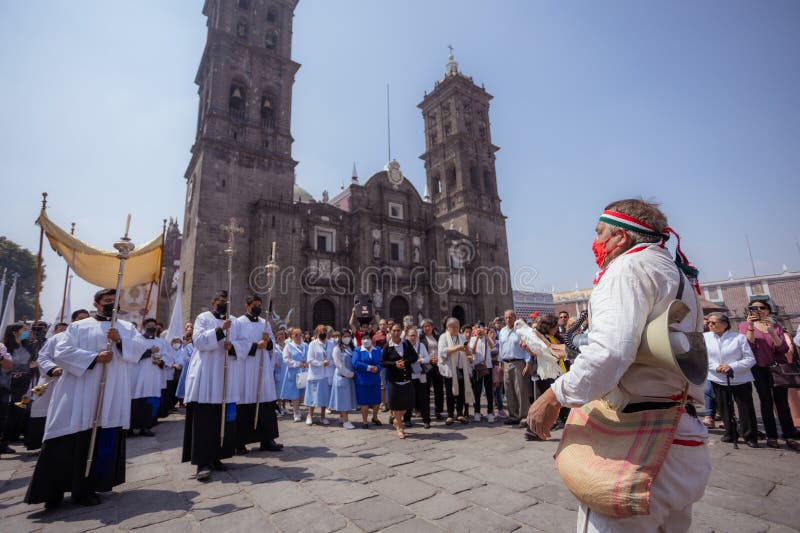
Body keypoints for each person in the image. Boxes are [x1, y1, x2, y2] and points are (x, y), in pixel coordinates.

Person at [528, 199, 710, 532]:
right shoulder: (673, 272)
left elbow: (609, 353)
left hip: (638, 447)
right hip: (681, 439)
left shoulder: (627, 269)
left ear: (621, 237)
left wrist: (553, 396)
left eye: (600, 233)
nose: (595, 242)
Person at [24, 288, 145, 508]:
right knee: (65, 436)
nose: (112, 305)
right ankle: (53, 490)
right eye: (107, 301)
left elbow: (140, 349)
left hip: (110, 393)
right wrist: (94, 358)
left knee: (100, 438)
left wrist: (119, 342)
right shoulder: (79, 327)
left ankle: (87, 488)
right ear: (96, 304)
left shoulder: (127, 328)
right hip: (78, 391)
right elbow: (62, 352)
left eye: (115, 302)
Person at [182, 290, 249, 481]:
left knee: (223, 418)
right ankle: (202, 462)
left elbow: (244, 343)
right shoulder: (202, 318)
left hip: (226, 374)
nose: (225, 303)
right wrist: (220, 330)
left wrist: (234, 346)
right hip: (207, 373)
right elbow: (199, 341)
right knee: (205, 419)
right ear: (213, 303)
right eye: (221, 300)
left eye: (227, 301)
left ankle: (218, 456)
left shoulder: (235, 321)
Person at [739, 301, 798, 450]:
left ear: (768, 310)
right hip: (759, 369)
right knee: (766, 402)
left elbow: (783, 348)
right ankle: (772, 436)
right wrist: (751, 327)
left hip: (777, 368)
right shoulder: (744, 326)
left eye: (763, 308)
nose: (759, 310)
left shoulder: (776, 326)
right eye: (755, 308)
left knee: (782, 403)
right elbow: (748, 345)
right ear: (749, 311)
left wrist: (771, 332)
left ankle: (789, 435)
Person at [234, 295, 282, 454]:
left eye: (260, 305)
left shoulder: (264, 323)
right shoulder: (238, 322)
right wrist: (255, 346)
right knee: (244, 401)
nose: (258, 308)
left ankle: (267, 439)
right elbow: (236, 344)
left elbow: (273, 343)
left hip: (262, 368)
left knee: (265, 401)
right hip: (245, 368)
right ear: (247, 306)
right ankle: (239, 442)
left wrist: (268, 343)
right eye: (255, 305)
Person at [704, 312, 758, 447]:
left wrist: (732, 367)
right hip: (718, 378)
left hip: (740, 378)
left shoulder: (739, 338)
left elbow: (750, 359)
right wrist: (716, 367)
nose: (710, 325)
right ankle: (730, 432)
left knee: (745, 408)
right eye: (708, 323)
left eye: (713, 323)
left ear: (724, 324)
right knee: (724, 408)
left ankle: (749, 435)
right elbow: (703, 358)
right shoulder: (705, 338)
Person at [25, 318, 77, 451]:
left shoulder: (83, 339)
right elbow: (43, 357)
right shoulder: (54, 339)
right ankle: (40, 444)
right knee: (43, 409)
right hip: (51, 380)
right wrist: (52, 369)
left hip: (73, 381)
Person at [130, 318, 169, 437]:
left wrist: (161, 362)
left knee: (150, 403)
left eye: (154, 325)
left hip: (153, 376)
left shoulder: (161, 342)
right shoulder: (136, 340)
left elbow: (169, 356)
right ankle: (131, 427)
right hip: (138, 376)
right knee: (135, 402)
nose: (151, 327)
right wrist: (149, 352)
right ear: (144, 326)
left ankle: (146, 427)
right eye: (149, 325)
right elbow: (131, 356)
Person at [380, 323, 418, 439]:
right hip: (394, 380)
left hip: (407, 379)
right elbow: (382, 362)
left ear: (401, 332)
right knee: (396, 405)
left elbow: (414, 357)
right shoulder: (387, 347)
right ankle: (400, 428)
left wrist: (405, 362)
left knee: (407, 405)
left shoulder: (406, 343)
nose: (396, 333)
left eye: (398, 330)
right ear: (390, 332)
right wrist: (394, 364)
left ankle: (397, 420)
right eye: (394, 331)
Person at [1, 323, 34, 450]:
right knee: (8, 414)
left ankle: (12, 438)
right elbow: (8, 365)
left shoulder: (26, 345)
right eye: (23, 330)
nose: (26, 331)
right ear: (14, 332)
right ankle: (3, 442)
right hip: (10, 384)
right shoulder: (6, 348)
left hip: (24, 384)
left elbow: (31, 362)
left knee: (21, 412)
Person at [498, 310, 531, 428]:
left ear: (515, 318)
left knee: (520, 390)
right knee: (509, 390)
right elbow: (501, 348)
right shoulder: (502, 331)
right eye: (506, 317)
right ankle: (513, 415)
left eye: (511, 317)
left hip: (518, 362)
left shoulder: (520, 331)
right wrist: (500, 362)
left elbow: (526, 347)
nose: (508, 319)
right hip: (506, 363)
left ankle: (524, 416)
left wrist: (527, 364)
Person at [438, 317, 473, 425]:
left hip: (461, 368)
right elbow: (442, 352)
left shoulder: (462, 337)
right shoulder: (443, 337)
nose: (455, 329)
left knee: (461, 391)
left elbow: (468, 351)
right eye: (453, 327)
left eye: (457, 327)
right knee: (450, 392)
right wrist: (457, 348)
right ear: (448, 328)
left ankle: (460, 413)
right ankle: (449, 414)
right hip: (449, 369)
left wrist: (467, 351)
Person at [329, 329, 357, 429]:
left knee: (347, 399)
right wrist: (350, 374)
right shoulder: (337, 349)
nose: (347, 338)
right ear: (341, 337)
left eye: (348, 336)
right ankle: (345, 421)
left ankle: (342, 417)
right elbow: (339, 365)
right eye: (344, 336)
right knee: (343, 400)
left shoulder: (352, 348)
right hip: (343, 376)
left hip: (350, 377)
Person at [403, 327, 431, 429]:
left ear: (417, 336)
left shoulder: (421, 345)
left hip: (420, 375)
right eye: (411, 335)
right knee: (408, 399)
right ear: (407, 336)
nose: (413, 337)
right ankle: (407, 419)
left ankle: (426, 420)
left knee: (423, 398)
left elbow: (428, 358)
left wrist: (420, 360)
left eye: (414, 335)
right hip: (409, 376)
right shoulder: (404, 346)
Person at [352, 335, 383, 428]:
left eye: (368, 338)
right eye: (364, 338)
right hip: (362, 380)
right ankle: (365, 421)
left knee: (377, 401)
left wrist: (377, 368)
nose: (366, 340)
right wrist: (368, 367)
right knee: (364, 402)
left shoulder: (377, 350)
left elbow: (382, 362)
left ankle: (375, 417)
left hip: (375, 380)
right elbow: (355, 363)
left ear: (372, 339)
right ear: (361, 340)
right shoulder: (357, 350)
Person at [304, 325, 332, 425]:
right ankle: (309, 415)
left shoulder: (331, 344)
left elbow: (333, 357)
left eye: (324, 331)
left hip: (326, 374)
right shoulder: (312, 344)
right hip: (315, 375)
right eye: (320, 331)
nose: (323, 333)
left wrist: (329, 363)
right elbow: (309, 360)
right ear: (316, 333)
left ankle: (323, 416)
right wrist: (321, 363)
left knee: (324, 397)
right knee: (313, 396)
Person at [469, 322, 495, 423]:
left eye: (480, 328)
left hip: (488, 366)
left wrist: (485, 335)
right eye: (476, 329)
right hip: (478, 367)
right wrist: (476, 338)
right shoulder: (472, 339)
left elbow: (492, 347)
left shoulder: (487, 338)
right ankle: (477, 412)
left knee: (489, 391)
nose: (478, 330)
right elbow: (473, 351)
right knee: (477, 391)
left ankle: (490, 412)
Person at [281, 328, 308, 422]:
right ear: (291, 336)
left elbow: (310, 356)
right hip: (293, 373)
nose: (298, 337)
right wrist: (297, 363)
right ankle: (296, 412)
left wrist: (308, 363)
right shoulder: (288, 346)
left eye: (300, 335)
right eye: (295, 335)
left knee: (302, 395)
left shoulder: (306, 346)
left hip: (304, 372)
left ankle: (298, 409)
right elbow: (285, 359)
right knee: (295, 394)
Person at [421, 319, 444, 420]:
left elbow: (442, 349)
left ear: (432, 327)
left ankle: (438, 410)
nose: (427, 328)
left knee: (439, 389)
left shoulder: (438, 337)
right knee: (425, 390)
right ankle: (425, 411)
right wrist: (429, 359)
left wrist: (438, 358)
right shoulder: (421, 339)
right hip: (426, 366)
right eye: (424, 326)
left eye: (428, 326)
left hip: (438, 365)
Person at [174, 322, 194, 407]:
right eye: (187, 327)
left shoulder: (196, 344)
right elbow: (184, 356)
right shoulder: (184, 343)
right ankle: (182, 400)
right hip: (186, 367)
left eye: (191, 327)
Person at [273, 329, 288, 415]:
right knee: (279, 392)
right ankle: (279, 409)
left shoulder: (287, 346)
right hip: (278, 372)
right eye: (279, 338)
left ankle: (284, 407)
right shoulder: (275, 347)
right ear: (276, 339)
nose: (281, 339)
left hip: (286, 371)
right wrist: (274, 362)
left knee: (285, 391)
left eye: (282, 337)